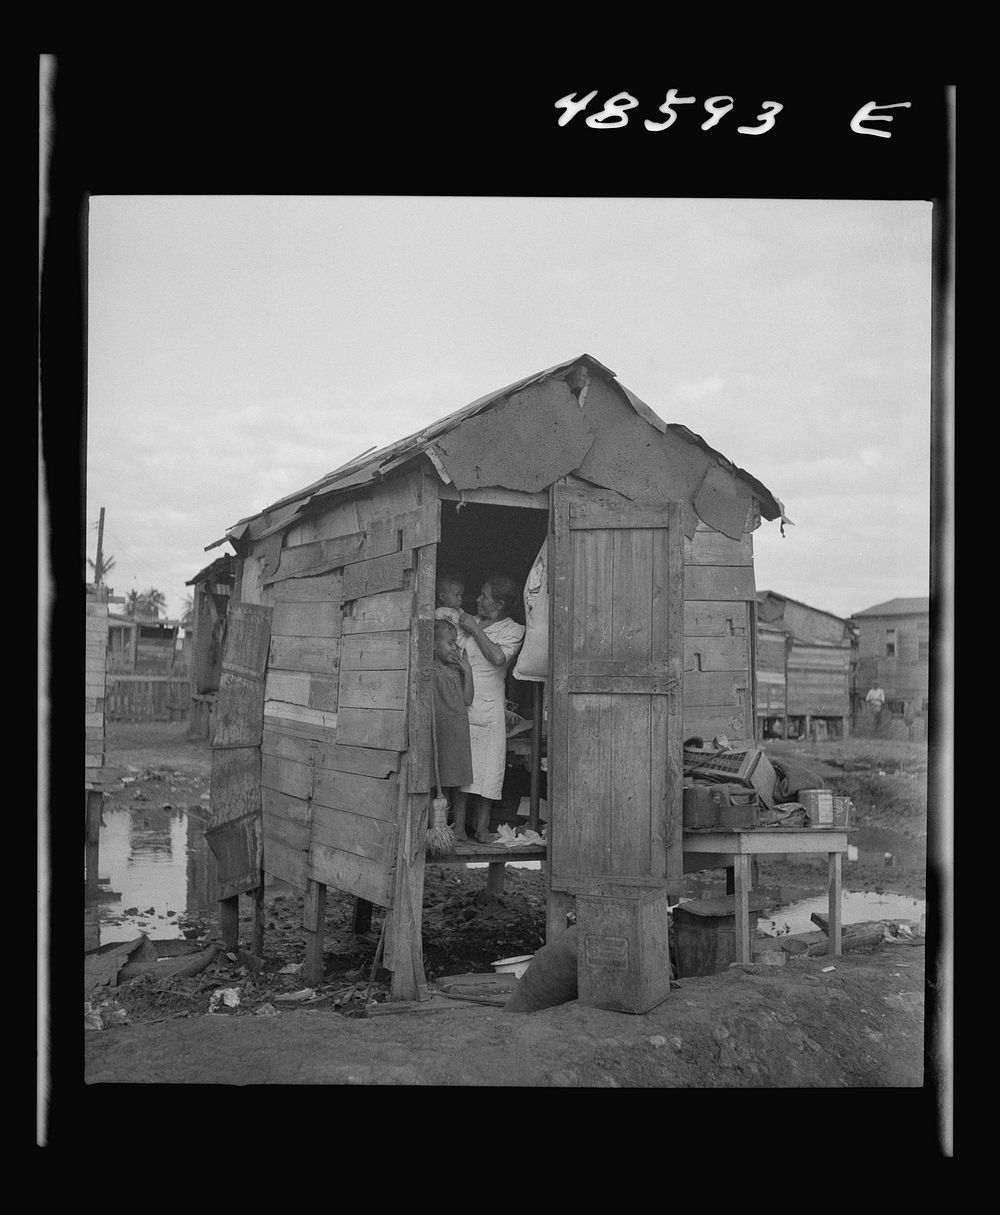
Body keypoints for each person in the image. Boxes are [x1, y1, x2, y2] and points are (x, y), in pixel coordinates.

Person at [450, 574, 525, 843]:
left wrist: (474, 629)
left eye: (484, 596)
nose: (478, 599)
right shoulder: (469, 623)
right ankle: (458, 827)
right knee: (464, 769)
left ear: (500, 604)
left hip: (492, 707)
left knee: (489, 770)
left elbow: (497, 658)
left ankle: (481, 829)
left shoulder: (513, 630)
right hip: (465, 701)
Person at [430, 618, 475, 808]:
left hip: (456, 730)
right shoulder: (429, 669)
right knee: (435, 777)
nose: (455, 648)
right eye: (450, 643)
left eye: (456, 643)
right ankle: (435, 826)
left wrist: (468, 672)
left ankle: (448, 827)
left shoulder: (456, 669)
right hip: (439, 729)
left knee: (452, 778)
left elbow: (467, 700)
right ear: (432, 644)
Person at [434, 571, 470, 647]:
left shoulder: (460, 611)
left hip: (462, 644)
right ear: (442, 597)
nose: (460, 599)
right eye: (457, 595)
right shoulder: (439, 612)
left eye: (461, 595)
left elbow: (467, 627)